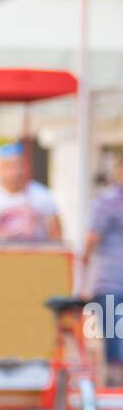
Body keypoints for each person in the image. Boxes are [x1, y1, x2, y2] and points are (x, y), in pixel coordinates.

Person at [84, 152, 123, 387]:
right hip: (111, 282)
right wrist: (84, 284)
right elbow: (90, 241)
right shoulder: (107, 202)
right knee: (115, 345)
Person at [0, 142, 62, 245]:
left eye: (19, 166)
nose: (15, 172)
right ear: (0, 170)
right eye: (9, 167)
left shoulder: (42, 196)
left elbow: (56, 235)